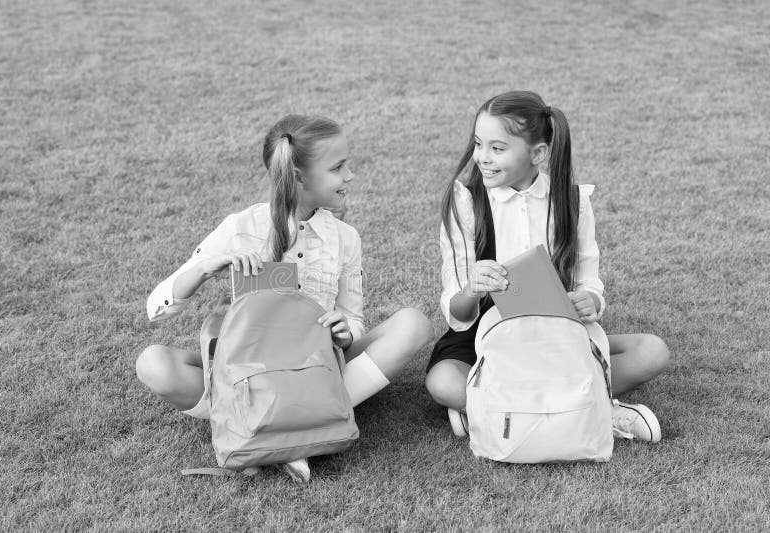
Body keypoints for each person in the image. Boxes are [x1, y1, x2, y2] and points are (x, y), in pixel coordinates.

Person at [136, 114, 432, 482]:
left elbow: (353, 319)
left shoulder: (345, 238)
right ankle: (288, 429)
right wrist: (207, 268)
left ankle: (272, 429)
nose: (350, 176)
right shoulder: (240, 228)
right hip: (248, 373)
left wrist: (345, 332)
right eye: (338, 168)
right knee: (153, 363)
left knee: (413, 324)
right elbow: (156, 308)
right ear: (298, 177)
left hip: (319, 367)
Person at [425, 91, 670, 443]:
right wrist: (473, 288)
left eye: (497, 148)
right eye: (479, 144)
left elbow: (589, 282)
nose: (482, 157)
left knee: (652, 351)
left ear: (537, 154)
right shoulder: (465, 201)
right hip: (486, 337)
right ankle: (592, 408)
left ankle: (491, 409)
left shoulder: (572, 202)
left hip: (555, 334)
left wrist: (590, 300)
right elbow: (456, 313)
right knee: (443, 381)